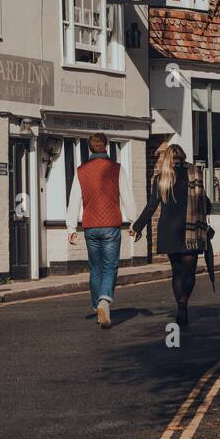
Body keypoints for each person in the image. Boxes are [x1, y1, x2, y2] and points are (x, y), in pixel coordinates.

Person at [132, 142, 212, 326]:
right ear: (183, 157)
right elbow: (207, 204)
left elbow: (152, 206)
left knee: (176, 272)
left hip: (168, 231)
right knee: (189, 271)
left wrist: (137, 226)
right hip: (190, 230)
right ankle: (184, 300)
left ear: (167, 158)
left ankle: (180, 306)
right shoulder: (195, 174)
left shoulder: (161, 178)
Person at [66, 132, 138, 329]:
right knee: (110, 266)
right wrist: (134, 222)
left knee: (95, 267)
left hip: (90, 226)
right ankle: (104, 301)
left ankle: (97, 304)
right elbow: (127, 196)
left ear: (89, 148)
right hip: (111, 225)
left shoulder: (81, 171)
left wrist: (71, 227)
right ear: (107, 146)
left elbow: (74, 199)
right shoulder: (116, 169)